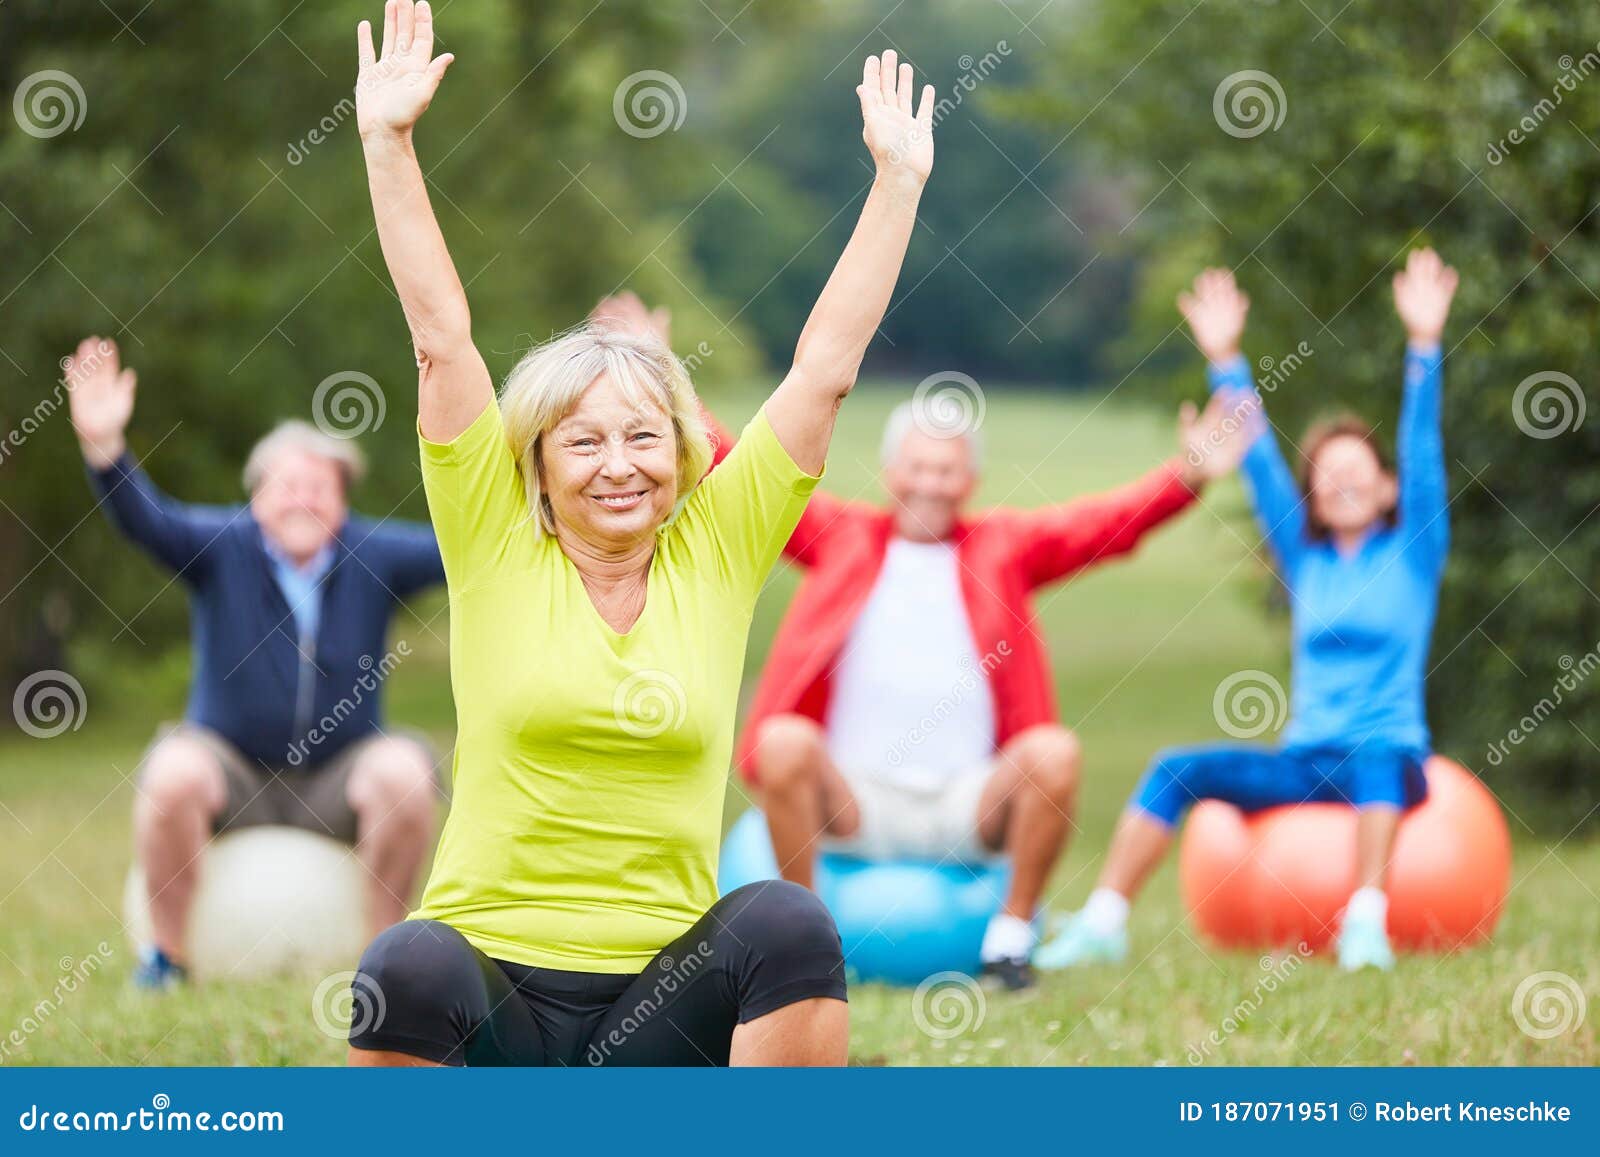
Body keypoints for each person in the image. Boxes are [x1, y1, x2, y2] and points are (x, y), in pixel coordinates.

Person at [345, 0, 936, 1066]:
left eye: (641, 436)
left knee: (787, 921)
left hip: (656, 1023)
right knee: (405, 961)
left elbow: (825, 371)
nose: (617, 462)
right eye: (581, 443)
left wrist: (896, 185)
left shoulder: (717, 547)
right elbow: (440, 338)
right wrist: (388, 144)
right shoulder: (493, 535)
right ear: (533, 465)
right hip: (497, 1011)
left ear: (682, 451)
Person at [588, 287, 1253, 990]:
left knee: (1054, 752)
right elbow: (737, 465)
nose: (931, 481)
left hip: (967, 804)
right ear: (890, 471)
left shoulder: (1006, 548)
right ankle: (805, 941)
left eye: (947, 467)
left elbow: (1103, 525)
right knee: (781, 741)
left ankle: (1009, 938)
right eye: (918, 466)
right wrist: (658, 368)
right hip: (852, 802)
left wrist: (1187, 476)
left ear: (971, 478)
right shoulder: (840, 536)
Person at [1039, 250, 1458, 973]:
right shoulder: (1306, 557)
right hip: (1308, 761)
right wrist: (1225, 358)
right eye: (1328, 478)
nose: (1343, 484)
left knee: (1379, 755)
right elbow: (1260, 464)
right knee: (1176, 768)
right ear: (1315, 497)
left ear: (1388, 491)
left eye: (1358, 473)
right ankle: (1104, 921)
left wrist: (1423, 345)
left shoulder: (1416, 549)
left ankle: (1364, 923)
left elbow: (1423, 452)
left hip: (1390, 763)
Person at [65, 335, 446, 990]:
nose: (302, 499)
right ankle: (167, 959)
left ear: (343, 498)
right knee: (173, 771)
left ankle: (383, 969)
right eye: (286, 485)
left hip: (339, 773)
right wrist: (105, 447)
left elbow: (464, 544)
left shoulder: (375, 552)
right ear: (257, 494)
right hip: (232, 768)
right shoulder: (222, 546)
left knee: (406, 772)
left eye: (318, 487)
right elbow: (144, 519)